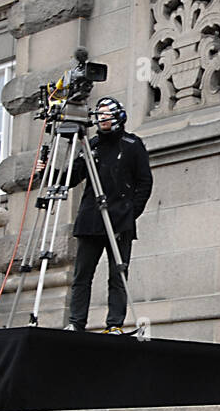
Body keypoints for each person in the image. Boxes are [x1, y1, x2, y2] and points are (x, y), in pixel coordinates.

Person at [42, 97, 152, 333]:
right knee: (82, 274)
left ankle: (114, 324)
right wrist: (51, 172)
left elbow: (144, 182)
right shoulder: (91, 145)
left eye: (107, 115)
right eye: (99, 116)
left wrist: (131, 213)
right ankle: (76, 322)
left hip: (120, 221)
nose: (102, 120)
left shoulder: (132, 144)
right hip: (91, 219)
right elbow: (74, 176)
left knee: (118, 274)